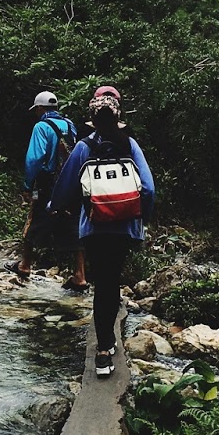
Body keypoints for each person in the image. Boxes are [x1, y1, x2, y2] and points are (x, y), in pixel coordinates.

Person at [49, 85, 154, 376]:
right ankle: (108, 343)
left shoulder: (84, 147)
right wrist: (142, 219)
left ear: (92, 119)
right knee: (112, 280)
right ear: (119, 115)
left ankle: (104, 351)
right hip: (124, 227)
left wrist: (54, 207)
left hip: (94, 227)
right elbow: (148, 188)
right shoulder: (130, 145)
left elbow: (66, 186)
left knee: (102, 284)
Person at [15, 91, 85, 286]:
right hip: (70, 181)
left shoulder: (41, 127)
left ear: (40, 108)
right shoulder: (70, 125)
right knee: (73, 223)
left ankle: (25, 264)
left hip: (48, 182)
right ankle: (80, 274)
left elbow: (34, 158)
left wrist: (28, 185)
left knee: (35, 217)